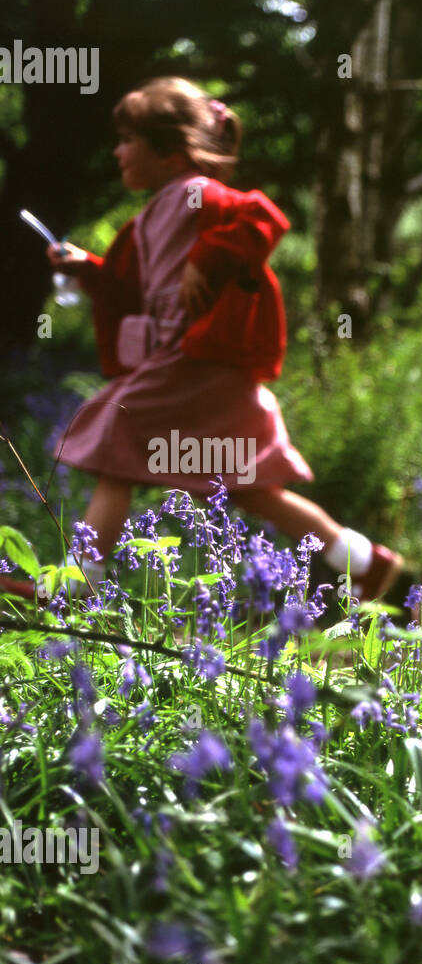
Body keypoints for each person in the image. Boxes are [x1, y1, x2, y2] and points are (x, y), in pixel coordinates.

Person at [7, 77, 401, 605]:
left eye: (128, 140)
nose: (117, 150)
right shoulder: (152, 216)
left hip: (197, 362)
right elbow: (131, 288)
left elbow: (264, 217)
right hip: (199, 367)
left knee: (110, 435)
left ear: (170, 151)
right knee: (250, 486)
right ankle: (366, 562)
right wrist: (88, 269)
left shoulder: (202, 197)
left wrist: (209, 256)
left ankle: (79, 589)